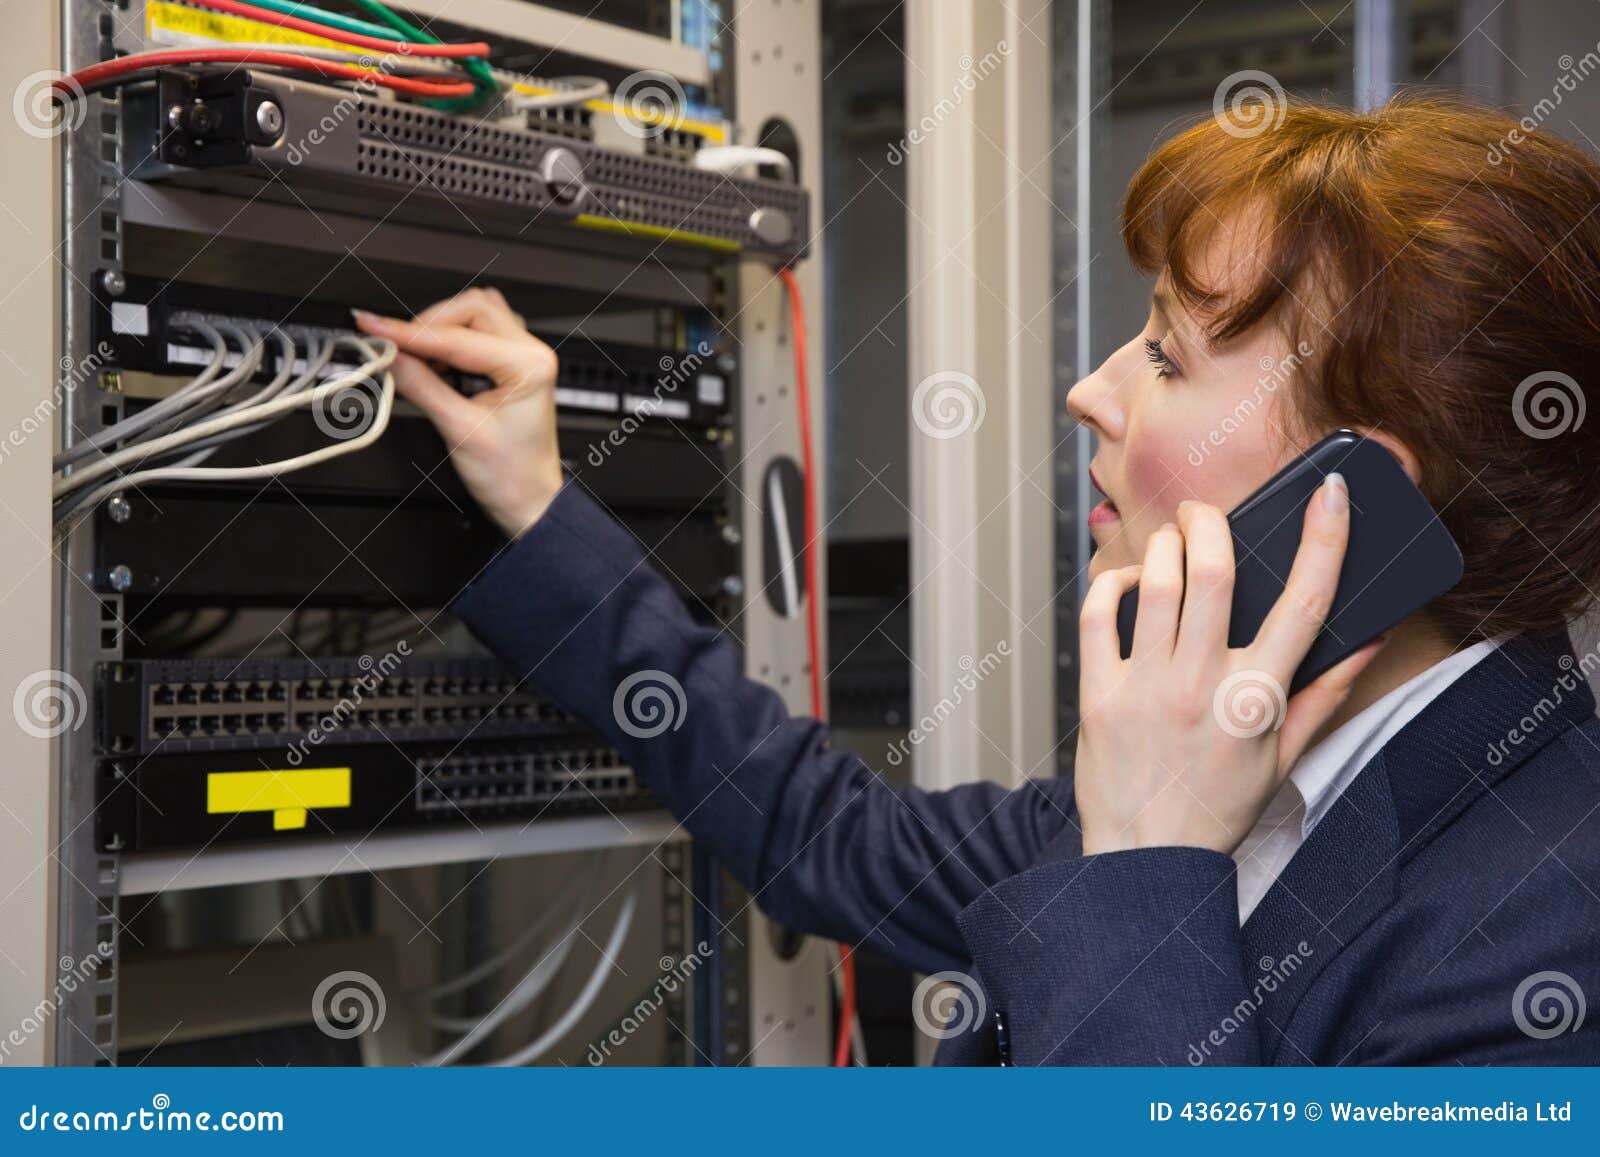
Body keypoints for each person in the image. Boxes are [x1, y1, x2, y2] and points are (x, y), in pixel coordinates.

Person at [355, 95, 1600, 1065]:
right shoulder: (1209, 756)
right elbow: (823, 832)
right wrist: (537, 500)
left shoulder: (1550, 930)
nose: (1090, 391)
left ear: (1344, 498)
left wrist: (1145, 863)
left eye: (1164, 357)